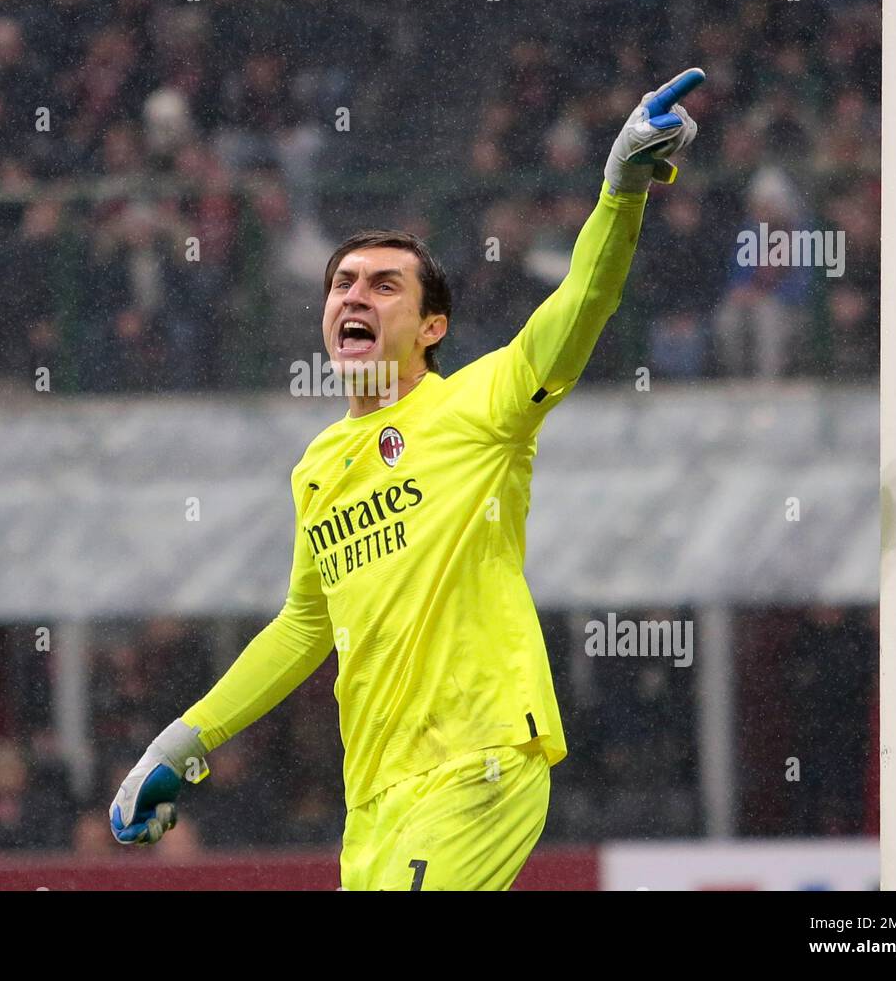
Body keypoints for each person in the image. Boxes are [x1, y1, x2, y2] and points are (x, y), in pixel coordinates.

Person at [110, 70, 704, 890]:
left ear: (432, 328)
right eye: (343, 283)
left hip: (479, 763)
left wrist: (620, 191)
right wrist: (183, 742)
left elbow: (581, 305)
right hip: (377, 803)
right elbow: (301, 627)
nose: (355, 294)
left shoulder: (480, 406)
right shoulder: (319, 468)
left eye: (384, 284)